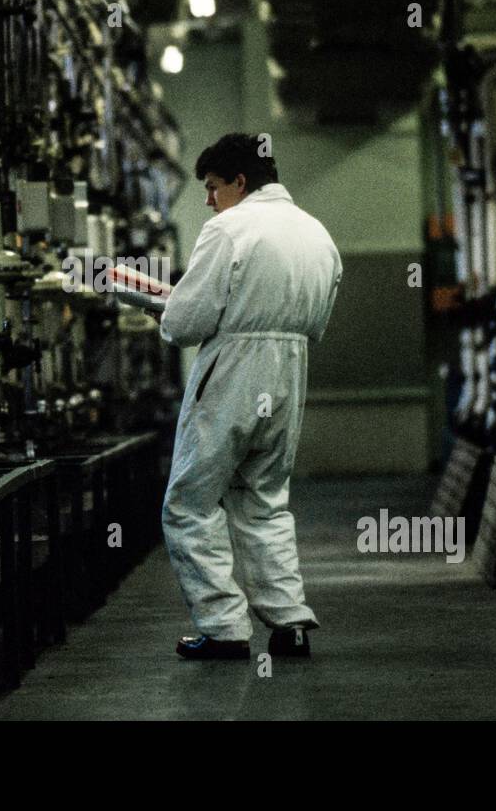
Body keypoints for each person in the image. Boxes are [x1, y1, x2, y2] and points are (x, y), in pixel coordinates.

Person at [154, 133, 342, 660]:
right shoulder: (316, 233)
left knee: (189, 504)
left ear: (240, 182)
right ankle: (290, 624)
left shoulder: (228, 229)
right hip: (291, 370)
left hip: (233, 369)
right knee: (264, 501)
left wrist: (164, 312)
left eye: (213, 188)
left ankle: (223, 628)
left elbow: (186, 321)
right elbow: (321, 316)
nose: (208, 200)